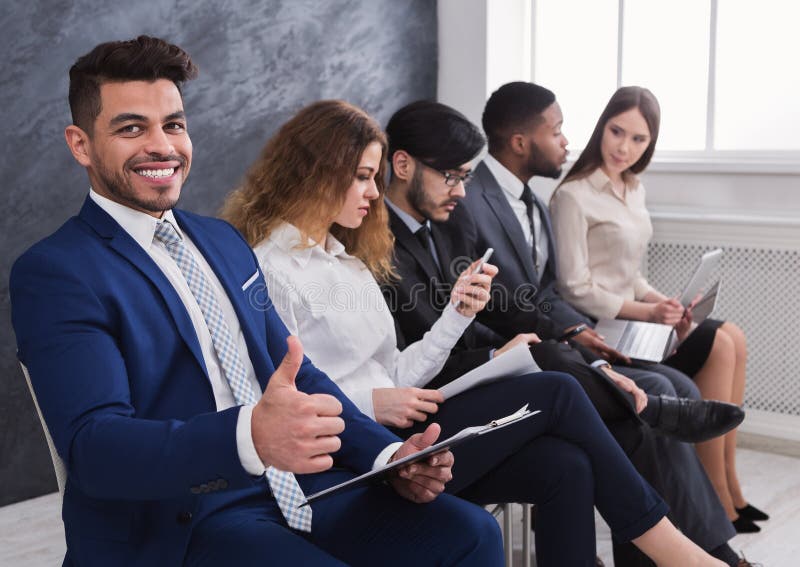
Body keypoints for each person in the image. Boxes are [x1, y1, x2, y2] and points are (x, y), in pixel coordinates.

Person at [9, 36, 507, 567]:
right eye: (132, 128)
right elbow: (95, 448)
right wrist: (249, 435)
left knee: (472, 533)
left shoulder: (221, 240)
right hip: (185, 518)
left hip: (299, 485)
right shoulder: (59, 271)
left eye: (173, 125)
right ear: (80, 144)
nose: (162, 146)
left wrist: (389, 456)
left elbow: (298, 372)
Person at [222, 98, 727, 567]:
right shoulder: (270, 269)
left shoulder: (344, 260)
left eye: (374, 177)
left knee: (566, 465)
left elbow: (397, 370)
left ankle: (665, 542)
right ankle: (671, 549)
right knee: (556, 388)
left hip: (402, 420)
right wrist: (372, 400)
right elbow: (278, 392)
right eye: (361, 177)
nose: (374, 193)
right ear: (315, 172)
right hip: (362, 450)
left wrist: (457, 316)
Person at [439, 84, 753, 567]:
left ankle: (698, 542)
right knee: (648, 406)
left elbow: (543, 291)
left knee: (675, 383)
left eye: (639, 139)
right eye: (557, 130)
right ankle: (693, 551)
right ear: (521, 141)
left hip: (561, 339)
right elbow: (489, 302)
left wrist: (573, 330)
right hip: (513, 352)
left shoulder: (532, 200)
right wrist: (571, 331)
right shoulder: (471, 199)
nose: (567, 141)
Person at [550, 86, 766, 532]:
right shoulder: (572, 195)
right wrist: (644, 313)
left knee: (733, 338)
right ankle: (719, 498)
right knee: (719, 348)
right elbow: (575, 287)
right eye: (616, 132)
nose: (624, 147)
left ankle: (732, 486)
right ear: (601, 127)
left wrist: (662, 302)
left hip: (634, 320)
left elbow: (630, 275)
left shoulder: (634, 188)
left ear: (650, 144)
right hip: (604, 330)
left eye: (638, 140)